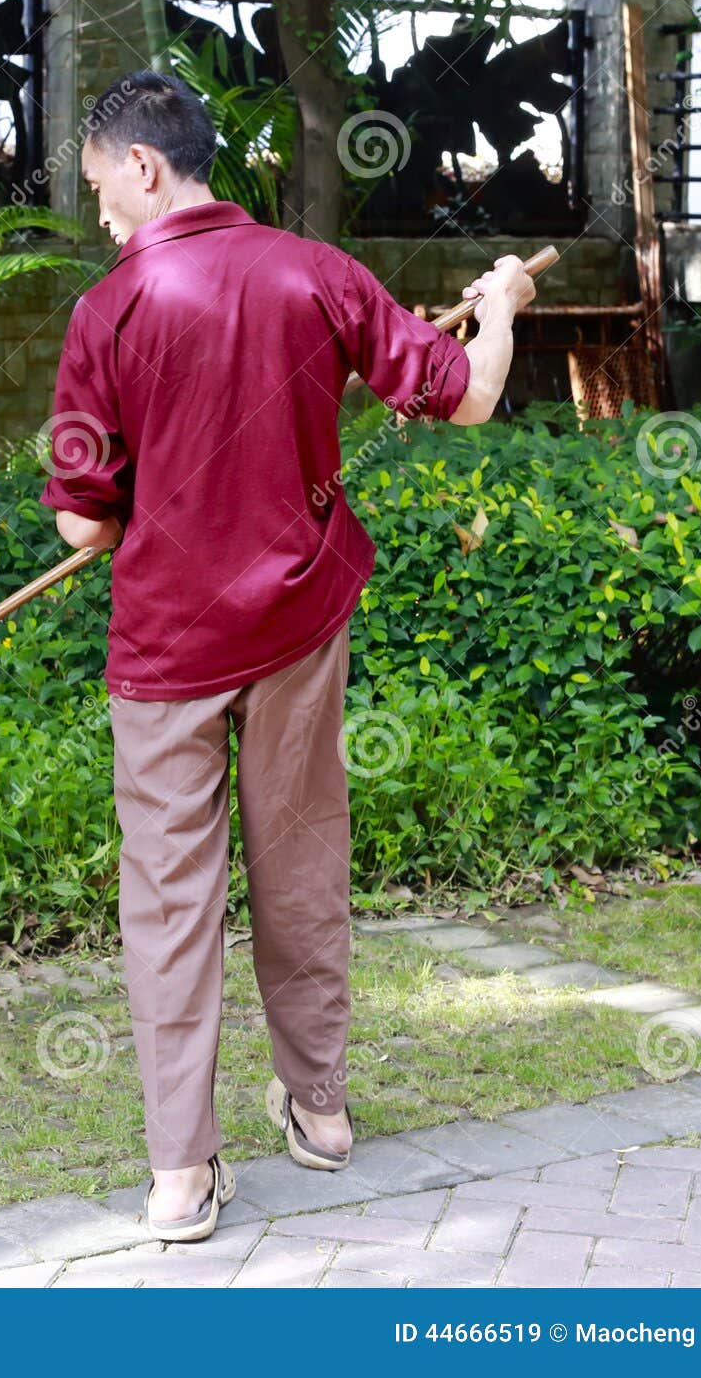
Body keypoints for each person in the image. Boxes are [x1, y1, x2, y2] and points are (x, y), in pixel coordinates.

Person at [39, 70, 537, 1243]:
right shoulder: (315, 272)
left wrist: (126, 502)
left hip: (165, 645)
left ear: (145, 167)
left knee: (169, 900)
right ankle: (317, 1112)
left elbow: (83, 523)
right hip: (298, 622)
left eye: (100, 180)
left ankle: (177, 1176)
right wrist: (501, 305)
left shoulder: (107, 311)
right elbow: (462, 395)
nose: (99, 206)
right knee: (301, 857)